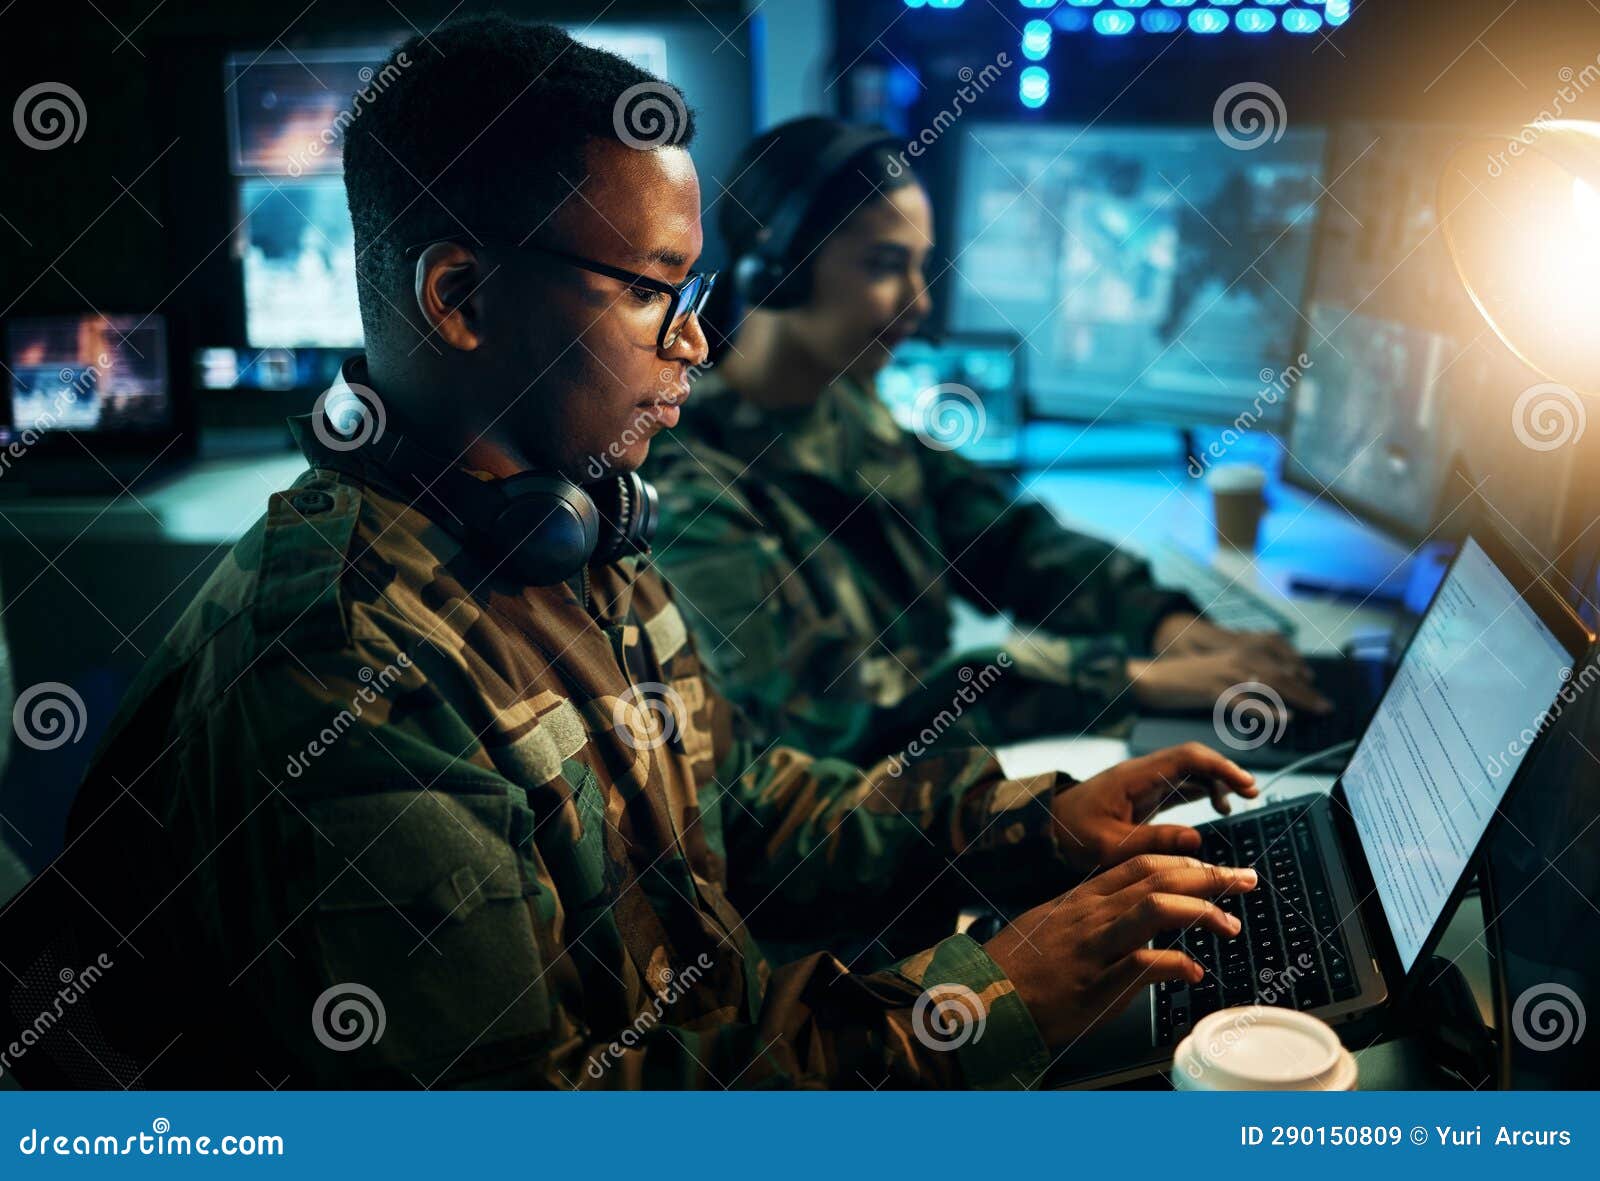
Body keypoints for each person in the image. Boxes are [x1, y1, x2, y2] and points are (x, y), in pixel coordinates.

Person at [53, 19, 1260, 1090]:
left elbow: (731, 800)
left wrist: (1026, 827)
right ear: (464, 297)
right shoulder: (346, 682)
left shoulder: (563, 521)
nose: (694, 337)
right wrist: (980, 999)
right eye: (653, 290)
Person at [645, 117, 1329, 768]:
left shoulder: (845, 401)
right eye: (885, 265)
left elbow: (1003, 539)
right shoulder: (686, 486)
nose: (918, 303)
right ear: (779, 268)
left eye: (920, 266)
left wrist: (1164, 621)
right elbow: (836, 720)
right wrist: (1131, 679)